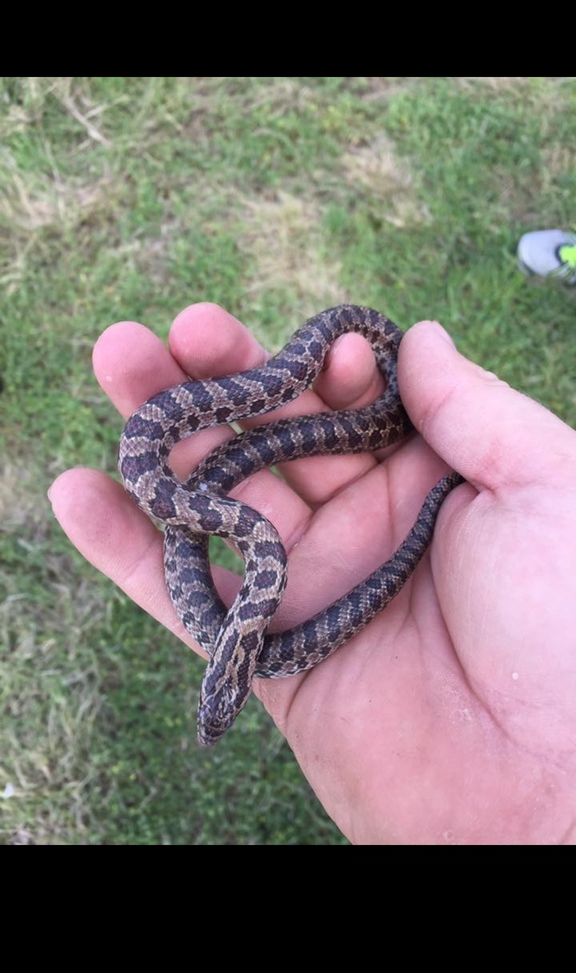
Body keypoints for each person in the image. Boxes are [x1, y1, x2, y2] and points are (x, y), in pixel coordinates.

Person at [49, 303, 576, 846]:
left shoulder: (261, 568)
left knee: (308, 411)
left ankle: (348, 342)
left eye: (220, 708)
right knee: (219, 492)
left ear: (218, 681)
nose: (214, 723)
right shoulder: (256, 584)